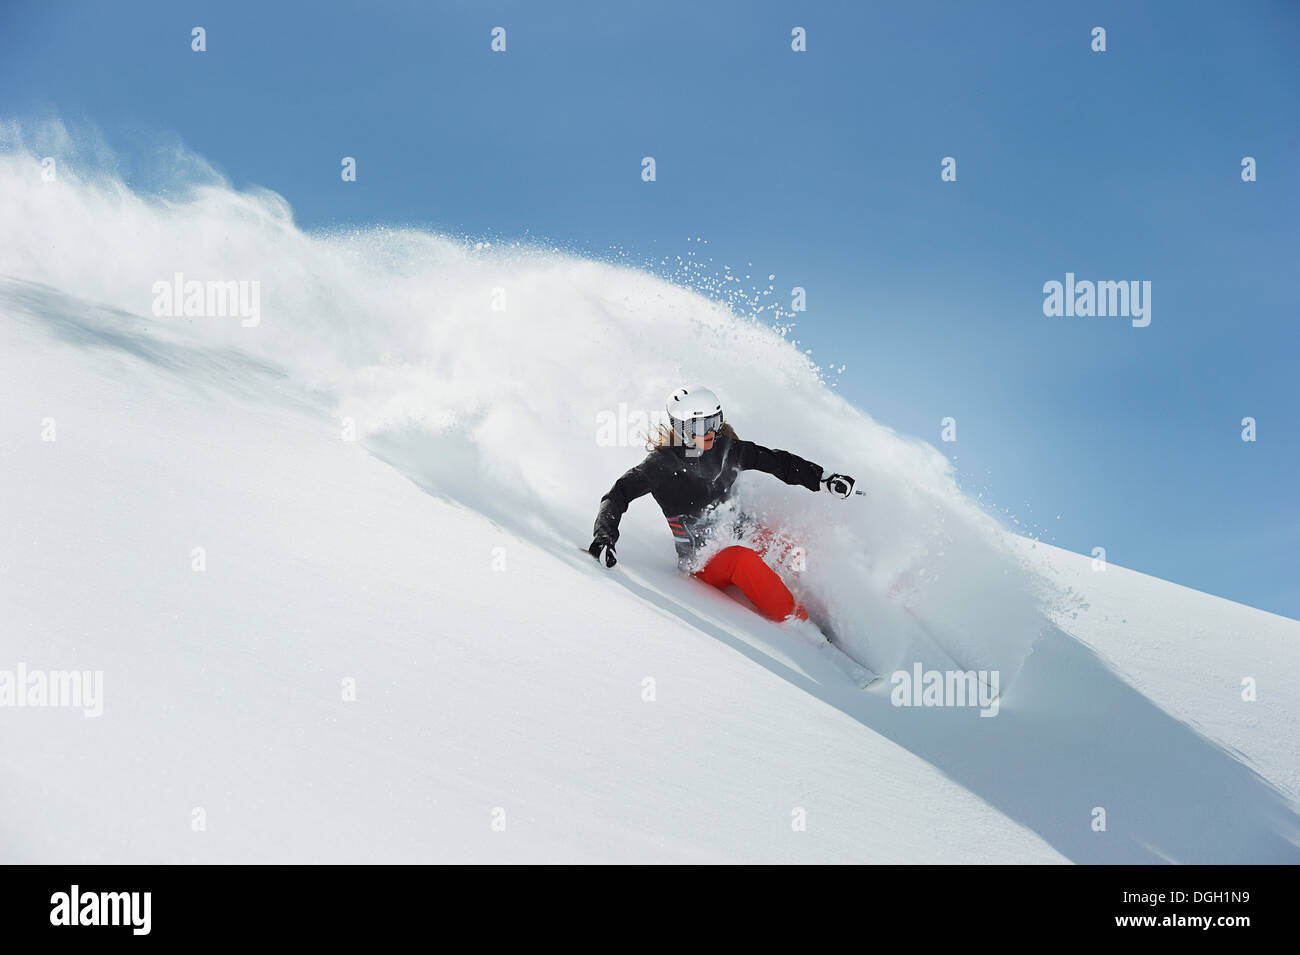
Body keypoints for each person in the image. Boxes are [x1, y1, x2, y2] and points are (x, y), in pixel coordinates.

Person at [588, 386, 857, 622]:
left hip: (740, 532)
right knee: (743, 559)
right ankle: (801, 626)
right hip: (704, 560)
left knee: (789, 546)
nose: (708, 432)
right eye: (698, 426)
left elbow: (778, 462)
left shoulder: (727, 450)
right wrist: (605, 535)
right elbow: (618, 494)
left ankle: (831, 609)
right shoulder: (661, 465)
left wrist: (824, 479)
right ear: (680, 428)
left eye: (713, 422)